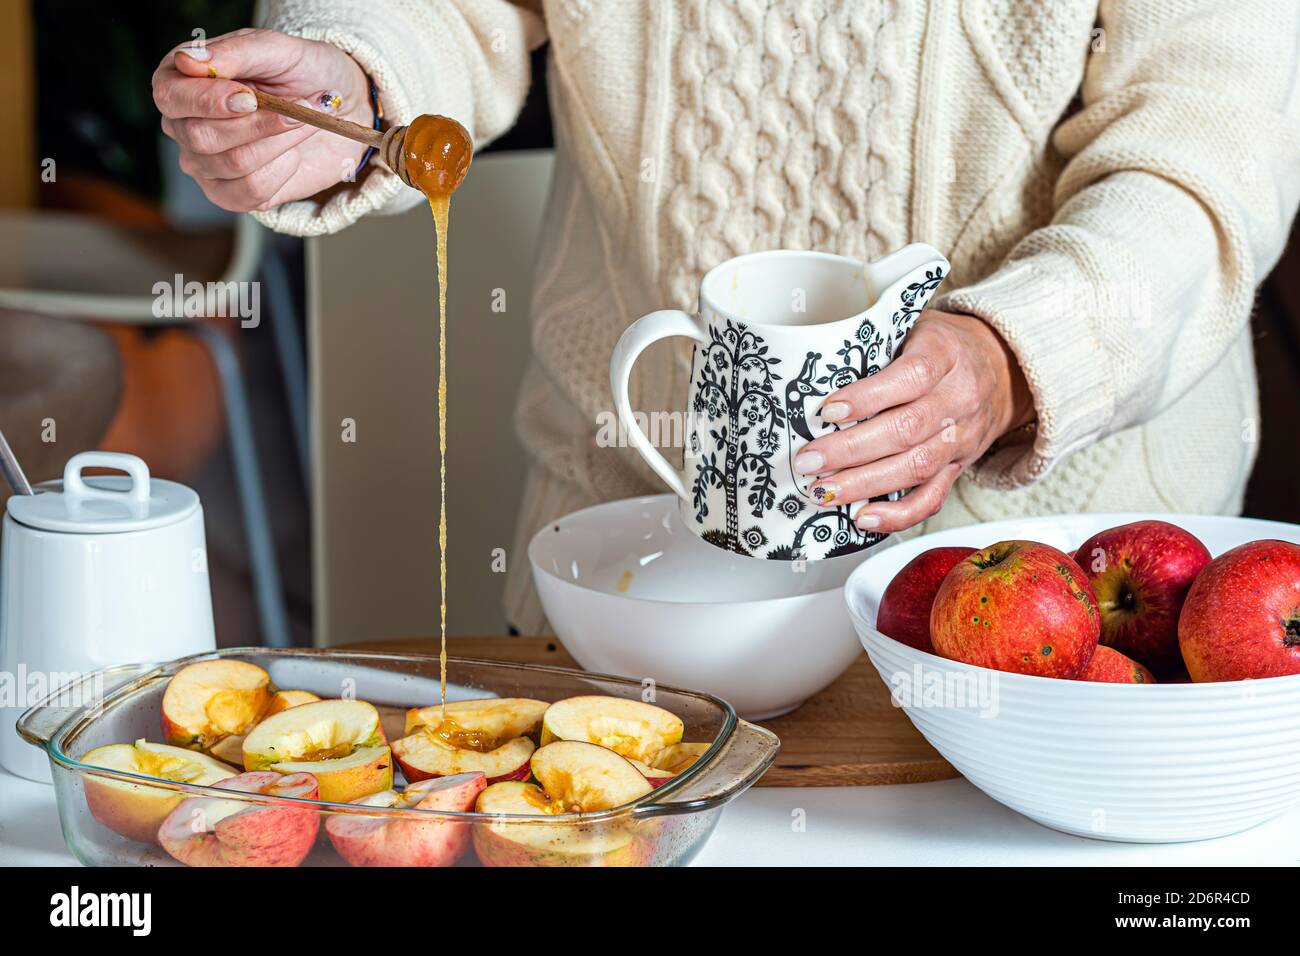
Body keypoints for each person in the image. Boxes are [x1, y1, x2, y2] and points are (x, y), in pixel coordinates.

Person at [153, 1, 1300, 633]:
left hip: (1069, 578)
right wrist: (356, 75)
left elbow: (1208, 153)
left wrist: (1010, 357)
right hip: (636, 562)